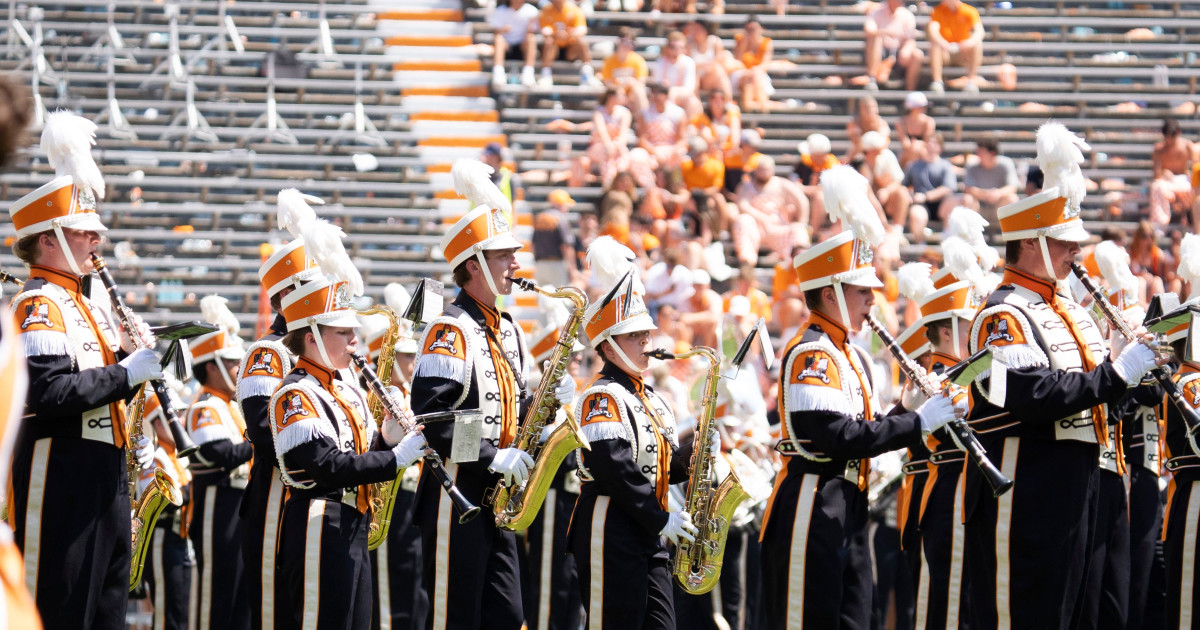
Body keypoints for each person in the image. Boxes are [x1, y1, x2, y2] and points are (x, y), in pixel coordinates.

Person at [962, 123, 1161, 629]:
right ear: (1032, 244)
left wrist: (1135, 378)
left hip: (1081, 481)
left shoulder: (1067, 311)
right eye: (1064, 243)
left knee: (1078, 615)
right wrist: (1118, 373)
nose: (1076, 253)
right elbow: (1032, 395)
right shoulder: (1002, 314)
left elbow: (1097, 397)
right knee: (1028, 614)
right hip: (1030, 485)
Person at [758, 165, 958, 628]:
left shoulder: (845, 354)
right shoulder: (812, 352)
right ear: (830, 293)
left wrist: (904, 408)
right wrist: (918, 422)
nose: (873, 299)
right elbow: (837, 436)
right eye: (861, 290)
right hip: (813, 503)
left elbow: (860, 428)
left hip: (846, 503)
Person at [8, 112, 161, 630]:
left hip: (103, 474)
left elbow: (98, 386)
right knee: (61, 609)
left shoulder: (85, 306)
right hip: (61, 475)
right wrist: (126, 373)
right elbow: (50, 393)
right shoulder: (38, 304)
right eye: (83, 233)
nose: (96, 243)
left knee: (104, 614)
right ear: (48, 239)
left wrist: (127, 359)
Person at [411, 161, 575, 630]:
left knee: (508, 615)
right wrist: (489, 455)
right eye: (504, 256)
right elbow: (434, 417)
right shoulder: (448, 329)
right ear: (473, 265)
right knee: (454, 618)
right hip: (454, 497)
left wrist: (546, 404)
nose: (516, 265)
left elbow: (514, 413)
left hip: (495, 500)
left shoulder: (509, 332)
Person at [269, 269, 427, 629]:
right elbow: (328, 466)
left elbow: (358, 452)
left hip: (353, 521)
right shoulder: (294, 394)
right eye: (343, 332)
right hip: (317, 522)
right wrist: (396, 458)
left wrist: (388, 438)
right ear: (311, 338)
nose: (355, 340)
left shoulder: (347, 389)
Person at [568, 236, 698, 629]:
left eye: (646, 334)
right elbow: (616, 469)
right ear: (607, 347)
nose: (646, 342)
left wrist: (695, 454)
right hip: (610, 529)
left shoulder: (652, 398)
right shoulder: (600, 396)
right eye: (633, 336)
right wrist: (663, 519)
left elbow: (660, 467)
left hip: (645, 527)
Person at [238, 224, 322, 630]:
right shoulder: (268, 353)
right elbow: (265, 434)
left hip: (321, 500)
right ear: (289, 295)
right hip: (278, 502)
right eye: (310, 284)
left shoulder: (326, 354)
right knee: (277, 616)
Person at [360, 284, 429, 630]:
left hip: (410, 497)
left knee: (414, 584)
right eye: (405, 355)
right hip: (386, 497)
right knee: (389, 589)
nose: (414, 362)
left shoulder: (413, 395)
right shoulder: (373, 397)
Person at [185, 296, 252, 629]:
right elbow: (223, 455)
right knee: (217, 595)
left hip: (238, 505)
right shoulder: (204, 407)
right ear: (211, 365)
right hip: (218, 504)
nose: (240, 370)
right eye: (231, 363)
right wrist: (261, 437)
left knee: (241, 599)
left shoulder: (230, 407)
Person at [138, 385, 193, 630]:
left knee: (181, 612)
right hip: (162, 538)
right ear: (159, 424)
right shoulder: (155, 458)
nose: (180, 420)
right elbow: (162, 501)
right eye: (174, 415)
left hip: (180, 539)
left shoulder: (177, 456)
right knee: (166, 612)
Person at [733, 155, 810, 266]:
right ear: (756, 170)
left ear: (772, 170)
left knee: (799, 230)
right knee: (743, 220)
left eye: (767, 170)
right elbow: (742, 205)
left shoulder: (781, 183)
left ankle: (801, 264)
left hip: (777, 229)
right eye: (762, 170)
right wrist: (763, 218)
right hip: (756, 229)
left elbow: (802, 201)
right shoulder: (745, 186)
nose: (764, 173)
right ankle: (747, 266)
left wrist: (802, 223)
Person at [860, 0, 924, 91]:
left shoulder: (907, 15)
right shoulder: (876, 12)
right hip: (879, 52)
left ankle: (910, 92)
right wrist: (884, 32)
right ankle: (872, 79)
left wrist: (906, 50)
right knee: (876, 39)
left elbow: (910, 40)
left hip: (898, 53)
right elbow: (869, 31)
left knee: (917, 54)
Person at [903, 134, 958, 233]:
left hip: (941, 205)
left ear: (940, 148)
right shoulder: (913, 165)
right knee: (916, 214)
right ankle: (920, 245)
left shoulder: (945, 166)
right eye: (928, 141)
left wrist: (926, 196)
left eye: (934, 142)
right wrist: (909, 195)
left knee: (954, 202)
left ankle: (947, 236)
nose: (930, 145)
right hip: (921, 205)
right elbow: (903, 186)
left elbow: (948, 187)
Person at [859, 131, 912, 234]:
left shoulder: (887, 155)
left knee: (902, 192)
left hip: (886, 200)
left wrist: (886, 190)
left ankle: (898, 231)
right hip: (866, 201)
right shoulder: (859, 162)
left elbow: (898, 180)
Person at [535, 0, 597, 88]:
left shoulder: (574, 9)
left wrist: (569, 34)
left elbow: (582, 29)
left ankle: (588, 73)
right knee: (549, 41)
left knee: (581, 41)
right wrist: (556, 34)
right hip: (553, 50)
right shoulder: (546, 10)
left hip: (570, 49)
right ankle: (546, 74)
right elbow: (544, 30)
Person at [927, 0, 985, 93]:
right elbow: (932, 30)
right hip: (945, 52)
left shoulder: (969, 11)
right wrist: (942, 43)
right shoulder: (937, 11)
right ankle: (937, 82)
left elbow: (980, 32)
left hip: (962, 53)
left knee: (977, 44)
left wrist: (968, 43)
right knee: (935, 44)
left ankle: (971, 81)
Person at [1149, 118, 1196, 227]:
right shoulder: (1159, 149)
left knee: (1194, 189)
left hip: (1184, 181)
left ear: (1178, 133)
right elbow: (1156, 175)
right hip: (1166, 183)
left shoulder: (1187, 146)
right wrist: (1164, 173)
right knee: (1156, 187)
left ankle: (1190, 222)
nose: (1169, 142)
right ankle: (1160, 226)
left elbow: (1195, 169)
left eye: (1172, 138)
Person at [963, 138, 1020, 224]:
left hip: (999, 206)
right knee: (967, 199)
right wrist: (986, 194)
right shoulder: (972, 165)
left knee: (1012, 199)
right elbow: (968, 189)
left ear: (992, 153)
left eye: (981, 152)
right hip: (978, 206)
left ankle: (1011, 234)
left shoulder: (1006, 164)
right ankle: (970, 234)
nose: (978, 155)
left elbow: (1012, 187)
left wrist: (998, 193)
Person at [533, 189, 580, 288]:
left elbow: (533, 245)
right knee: (559, 298)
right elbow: (566, 246)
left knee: (543, 297)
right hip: (557, 264)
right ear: (561, 204)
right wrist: (573, 270)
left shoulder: (540, 217)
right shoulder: (561, 218)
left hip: (540, 264)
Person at [793, 133, 840, 229]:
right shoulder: (806, 161)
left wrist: (804, 189)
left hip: (830, 202)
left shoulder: (832, 166)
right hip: (805, 198)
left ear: (819, 155)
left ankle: (813, 233)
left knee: (819, 198)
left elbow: (825, 190)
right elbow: (795, 179)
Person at [490, 0, 539, 88]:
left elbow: (532, 31)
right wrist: (502, 30)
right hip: (506, 47)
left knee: (531, 39)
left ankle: (528, 73)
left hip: (522, 48)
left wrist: (527, 34)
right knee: (498, 39)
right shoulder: (501, 10)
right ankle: (498, 73)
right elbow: (495, 31)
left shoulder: (532, 11)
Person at [599, 28, 649, 113]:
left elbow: (641, 82)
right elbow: (607, 83)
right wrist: (620, 89)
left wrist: (629, 83)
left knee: (639, 91)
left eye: (631, 43)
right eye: (625, 41)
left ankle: (644, 120)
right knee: (616, 94)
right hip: (616, 94)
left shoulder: (638, 60)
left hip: (632, 95)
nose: (628, 45)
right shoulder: (609, 60)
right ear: (618, 41)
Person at [730, 16, 774, 111]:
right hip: (741, 73)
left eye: (753, 29)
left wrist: (755, 70)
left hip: (756, 74)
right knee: (750, 77)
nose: (751, 32)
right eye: (748, 29)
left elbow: (766, 63)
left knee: (754, 76)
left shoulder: (766, 43)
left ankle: (749, 106)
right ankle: (762, 107)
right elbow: (737, 60)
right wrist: (744, 43)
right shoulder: (740, 40)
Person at [684, 20, 732, 100]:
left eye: (698, 29)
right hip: (694, 76)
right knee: (696, 78)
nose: (695, 31)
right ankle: (696, 107)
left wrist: (709, 66)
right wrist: (701, 66)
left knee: (719, 71)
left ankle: (728, 101)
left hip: (710, 77)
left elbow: (719, 61)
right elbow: (686, 63)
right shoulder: (689, 43)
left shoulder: (715, 41)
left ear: (705, 30)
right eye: (694, 29)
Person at [652, 31, 699, 112]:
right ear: (667, 47)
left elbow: (689, 88)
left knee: (693, 102)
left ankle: (690, 124)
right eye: (673, 47)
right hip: (664, 98)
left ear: (684, 48)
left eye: (680, 47)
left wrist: (673, 91)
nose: (676, 50)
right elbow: (657, 86)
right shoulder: (660, 62)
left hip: (682, 98)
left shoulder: (688, 62)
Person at [897, 92, 936, 168]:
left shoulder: (929, 122)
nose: (923, 109)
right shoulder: (901, 122)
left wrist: (916, 145)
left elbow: (927, 142)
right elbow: (905, 143)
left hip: (923, 151)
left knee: (917, 149)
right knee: (914, 149)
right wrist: (914, 146)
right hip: (907, 153)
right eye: (920, 107)